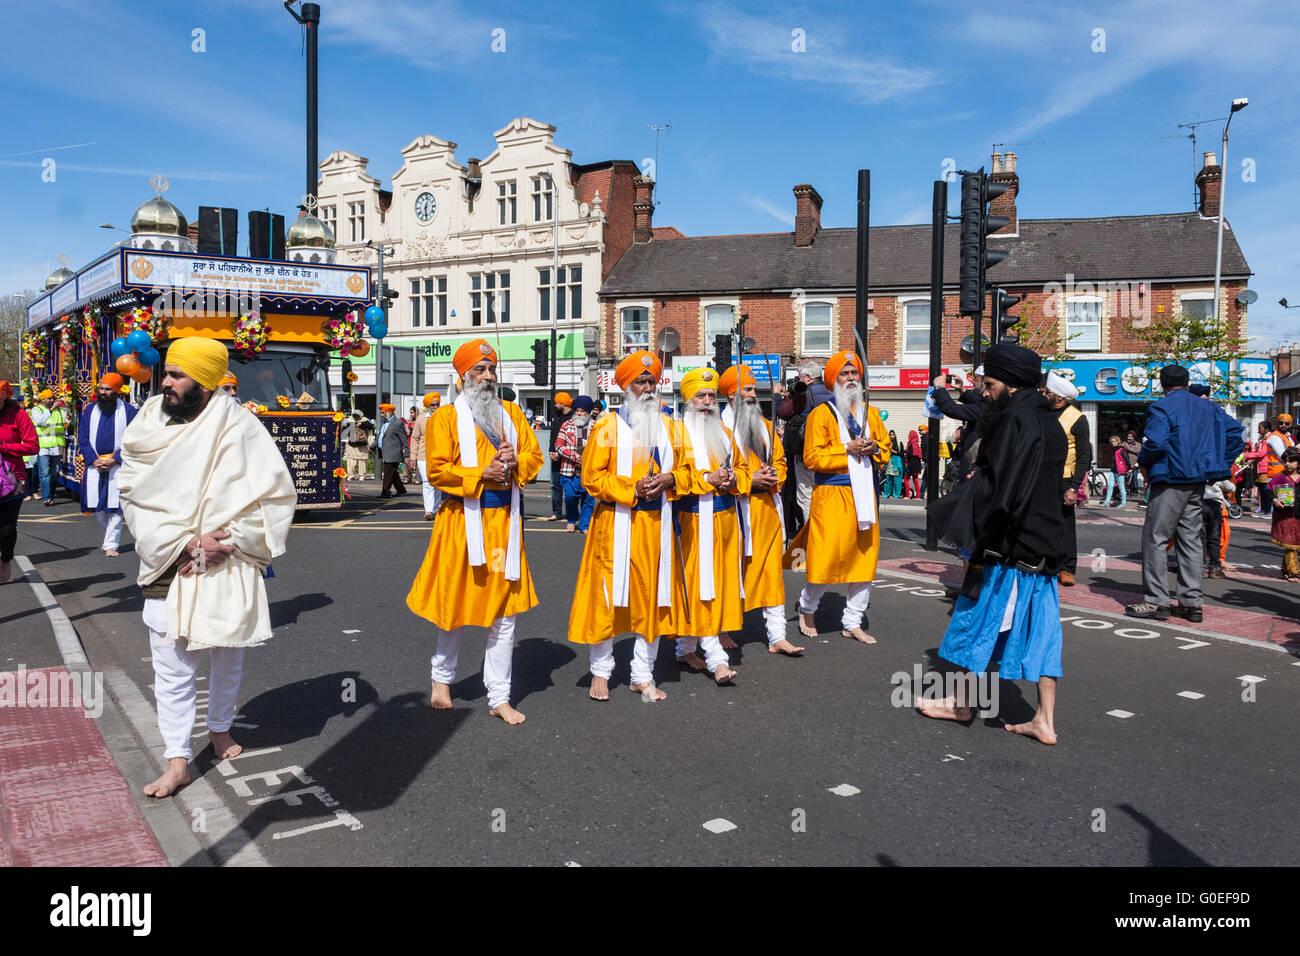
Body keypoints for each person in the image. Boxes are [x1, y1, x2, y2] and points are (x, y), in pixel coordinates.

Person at [117, 337, 296, 797]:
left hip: (226, 558)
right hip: (169, 559)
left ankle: (219, 729)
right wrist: (184, 543)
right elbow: (132, 492)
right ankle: (176, 760)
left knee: (226, 654)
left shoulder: (240, 428)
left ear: (207, 380)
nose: (167, 382)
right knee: (172, 666)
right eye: (167, 372)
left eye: (178, 375)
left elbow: (273, 498)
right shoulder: (147, 422)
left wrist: (229, 541)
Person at [920, 343, 1067, 745]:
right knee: (1043, 633)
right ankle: (1045, 720)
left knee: (981, 621)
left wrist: (971, 496)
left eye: (988, 384)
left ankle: (960, 703)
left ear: (1011, 384)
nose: (984, 392)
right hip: (1045, 548)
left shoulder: (1011, 422)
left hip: (1008, 547)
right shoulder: (1051, 423)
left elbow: (1001, 489)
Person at [406, 339, 541, 725]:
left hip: (506, 526)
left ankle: (499, 695)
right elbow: (437, 472)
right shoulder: (444, 418)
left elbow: (535, 456)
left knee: (506, 612)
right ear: (462, 377)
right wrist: (481, 473)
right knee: (454, 606)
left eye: (491, 370)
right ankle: (441, 679)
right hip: (461, 524)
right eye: (479, 371)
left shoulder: (512, 413)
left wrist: (517, 463)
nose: (487, 377)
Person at [567, 352, 678, 701]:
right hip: (615, 522)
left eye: (651, 381)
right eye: (640, 382)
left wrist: (671, 477)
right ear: (625, 386)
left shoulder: (671, 426)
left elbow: (689, 471)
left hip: (656, 524)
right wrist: (631, 489)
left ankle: (642, 674)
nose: (646, 388)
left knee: (653, 597)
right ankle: (601, 671)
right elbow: (591, 477)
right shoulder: (607, 426)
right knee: (606, 596)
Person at [783, 350, 890, 644]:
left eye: (854, 373)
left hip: (864, 495)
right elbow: (812, 458)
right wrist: (847, 450)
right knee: (825, 557)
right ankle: (807, 608)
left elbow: (886, 448)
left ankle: (852, 621)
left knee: (864, 558)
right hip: (831, 495)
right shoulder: (821, 414)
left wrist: (873, 448)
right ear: (833, 380)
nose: (851, 378)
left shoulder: (870, 413)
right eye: (845, 374)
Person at [1126, 365, 1244, 622]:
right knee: (1190, 539)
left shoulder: (1162, 406)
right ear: (1188, 382)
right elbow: (1237, 434)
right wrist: (1219, 464)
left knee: (1155, 538)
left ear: (1163, 384)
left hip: (1170, 478)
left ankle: (1156, 601)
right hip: (1197, 481)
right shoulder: (1209, 407)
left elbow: (1155, 442)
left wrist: (1143, 462)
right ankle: (1192, 603)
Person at [720, 365, 803, 656]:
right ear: (732, 395)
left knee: (771, 575)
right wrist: (748, 479)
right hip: (734, 513)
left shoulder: (767, 428)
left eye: (754, 389)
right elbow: (718, 473)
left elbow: (781, 462)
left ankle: (777, 636)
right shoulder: (720, 430)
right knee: (729, 573)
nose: (754, 395)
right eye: (747, 390)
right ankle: (722, 630)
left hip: (767, 511)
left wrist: (774, 477)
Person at [671, 367, 741, 684]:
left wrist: (733, 479)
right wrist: (705, 480)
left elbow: (741, 469)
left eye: (712, 395)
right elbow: (672, 477)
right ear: (689, 399)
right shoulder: (674, 432)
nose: (708, 401)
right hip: (692, 520)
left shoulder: (725, 432)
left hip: (725, 520)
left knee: (714, 586)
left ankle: (685, 648)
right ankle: (717, 659)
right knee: (702, 587)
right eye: (701, 395)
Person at [76, 373, 138, 558]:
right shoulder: (89, 410)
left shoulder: (128, 411)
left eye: (107, 389)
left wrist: (115, 459)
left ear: (117, 391)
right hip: (94, 464)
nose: (102, 392)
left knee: (116, 506)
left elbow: (132, 440)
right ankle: (108, 537)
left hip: (117, 465)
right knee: (98, 507)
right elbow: (83, 438)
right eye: (101, 388)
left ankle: (111, 543)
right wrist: (94, 460)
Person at [1043, 372, 1090, 586]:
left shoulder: (1077, 418)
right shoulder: (1042, 413)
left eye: (1048, 392)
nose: (1044, 394)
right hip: (1042, 478)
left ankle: (1066, 568)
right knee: (1041, 522)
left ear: (1059, 397)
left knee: (1065, 526)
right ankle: (1045, 563)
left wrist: (1074, 487)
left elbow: (1083, 457)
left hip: (1064, 480)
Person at [778, 361, 831, 528]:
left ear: (808, 378)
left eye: (800, 377)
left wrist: (776, 396)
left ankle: (811, 529)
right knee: (824, 490)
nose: (798, 381)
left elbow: (783, 412)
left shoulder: (805, 394)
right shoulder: (832, 393)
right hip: (830, 451)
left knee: (805, 492)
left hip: (806, 451)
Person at [0, 381, 39, 583]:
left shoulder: (19, 415)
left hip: (12, 479)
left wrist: (4, 447)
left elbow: (33, 446)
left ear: (4, 397)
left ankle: (5, 559)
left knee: (6, 529)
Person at [555, 396, 596, 533]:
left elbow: (602, 447)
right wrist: (574, 456)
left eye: (582, 411)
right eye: (577, 410)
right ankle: (572, 520)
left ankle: (584, 525)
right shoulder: (566, 425)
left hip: (590, 471)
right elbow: (559, 445)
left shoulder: (596, 427)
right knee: (570, 497)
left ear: (588, 412)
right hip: (569, 470)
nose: (578, 413)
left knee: (588, 500)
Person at [29, 388, 68, 506]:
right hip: (44, 446)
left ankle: (50, 495)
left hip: (57, 445)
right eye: (49, 398)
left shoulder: (59, 410)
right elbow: (40, 422)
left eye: (53, 398)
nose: (51, 400)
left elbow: (67, 421)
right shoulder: (37, 410)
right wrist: (50, 410)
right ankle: (47, 497)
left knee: (55, 473)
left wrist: (65, 407)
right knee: (45, 473)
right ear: (42, 399)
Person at [1267, 446, 1300, 582]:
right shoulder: (1280, 477)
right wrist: (1274, 500)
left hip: (1297, 514)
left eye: (1291, 461)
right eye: (1285, 461)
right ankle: (1293, 572)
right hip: (1284, 516)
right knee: (1290, 543)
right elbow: (1269, 491)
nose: (1287, 464)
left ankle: (1285, 568)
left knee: (1292, 543)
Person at [412, 393, 441, 520]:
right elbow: (415, 438)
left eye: (437, 404)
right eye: (432, 405)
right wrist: (413, 456)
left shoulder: (444, 416)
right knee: (427, 483)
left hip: (440, 455)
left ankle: (436, 508)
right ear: (428, 406)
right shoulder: (421, 419)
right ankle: (429, 510)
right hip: (423, 456)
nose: (435, 407)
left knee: (438, 483)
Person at [546, 392, 574, 521]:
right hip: (555, 456)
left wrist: (559, 453)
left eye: (557, 402)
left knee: (570, 487)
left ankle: (571, 513)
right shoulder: (557, 416)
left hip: (567, 458)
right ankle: (556, 512)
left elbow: (572, 439)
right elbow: (553, 435)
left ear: (562, 403)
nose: (555, 405)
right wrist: (552, 452)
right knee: (555, 485)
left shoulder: (573, 417)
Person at [377, 403, 408, 498]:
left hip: (393, 453)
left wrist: (407, 453)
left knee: (387, 473)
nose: (381, 415)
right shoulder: (384, 423)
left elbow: (404, 439)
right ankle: (401, 489)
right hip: (385, 452)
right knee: (393, 473)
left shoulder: (397, 423)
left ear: (389, 412)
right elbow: (381, 436)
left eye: (383, 413)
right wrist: (374, 445)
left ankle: (385, 492)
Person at [342, 410, 369, 481]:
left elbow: (370, 427)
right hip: (352, 444)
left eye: (357, 415)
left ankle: (362, 475)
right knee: (351, 460)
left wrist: (362, 424)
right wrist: (352, 424)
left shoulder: (365, 420)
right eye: (354, 415)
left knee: (362, 460)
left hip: (362, 444)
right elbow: (344, 430)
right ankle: (351, 475)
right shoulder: (349, 421)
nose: (356, 417)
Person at [1103, 435, 1128, 508]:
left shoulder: (1121, 450)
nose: (1113, 443)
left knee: (1121, 486)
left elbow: (1126, 459)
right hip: (1113, 470)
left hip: (1120, 470)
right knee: (1110, 485)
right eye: (1111, 442)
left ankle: (1123, 502)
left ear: (1118, 441)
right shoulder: (1113, 450)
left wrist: (1129, 467)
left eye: (1114, 441)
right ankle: (1107, 501)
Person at [883, 430, 904, 498]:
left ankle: (896, 495)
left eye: (893, 435)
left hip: (897, 464)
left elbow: (902, 453)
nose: (891, 436)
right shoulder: (887, 443)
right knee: (888, 480)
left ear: (895, 435)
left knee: (897, 481)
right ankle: (886, 494)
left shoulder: (899, 443)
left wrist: (894, 451)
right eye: (890, 434)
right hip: (889, 463)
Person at [904, 429, 924, 498]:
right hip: (917, 465)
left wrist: (906, 451)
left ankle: (907, 495)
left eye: (909, 435)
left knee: (906, 479)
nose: (908, 436)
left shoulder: (911, 444)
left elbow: (910, 455)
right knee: (915, 480)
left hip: (911, 465)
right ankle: (918, 496)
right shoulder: (917, 444)